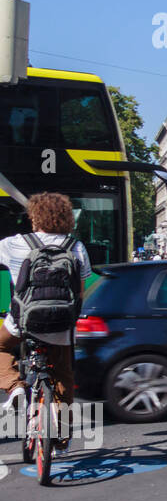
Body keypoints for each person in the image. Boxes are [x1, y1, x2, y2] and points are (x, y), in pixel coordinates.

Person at [0, 193, 94, 450]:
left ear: (34, 216)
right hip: (61, 326)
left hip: (22, 323)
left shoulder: (13, 243)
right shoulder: (76, 247)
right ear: (66, 218)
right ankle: (62, 434)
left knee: (0, 347)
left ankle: (14, 386)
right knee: (63, 374)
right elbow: (80, 291)